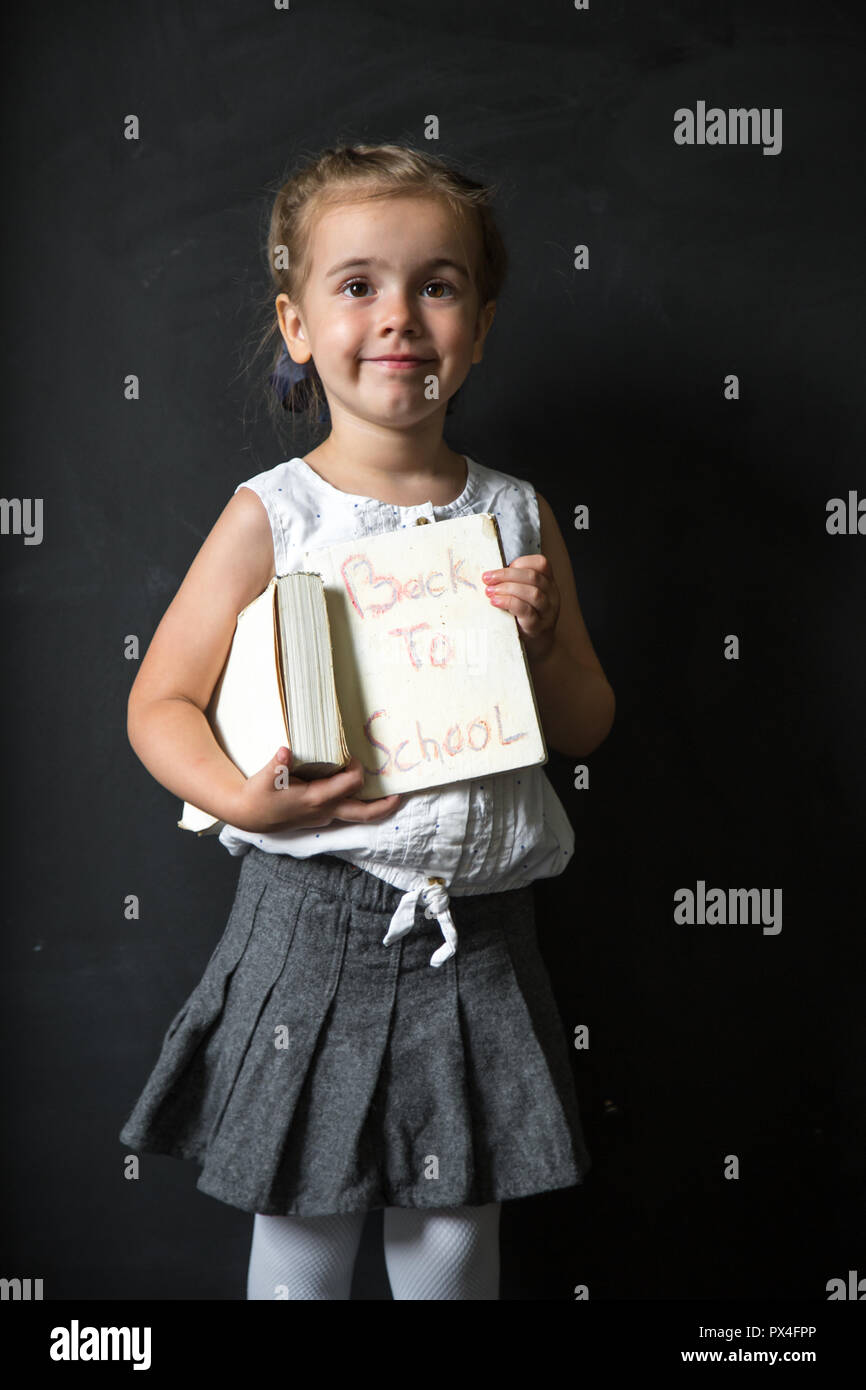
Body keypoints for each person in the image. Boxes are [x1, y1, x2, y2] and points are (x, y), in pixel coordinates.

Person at [118, 142, 616, 1300]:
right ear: (296, 325)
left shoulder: (516, 513)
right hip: (313, 922)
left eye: (435, 285)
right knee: (301, 1231)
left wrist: (541, 646)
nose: (398, 316)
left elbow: (586, 725)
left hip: (480, 934)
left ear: (479, 326)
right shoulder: (272, 516)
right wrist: (239, 796)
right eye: (357, 286)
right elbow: (159, 700)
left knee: (451, 1241)